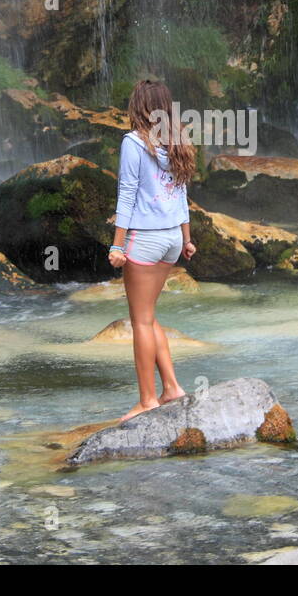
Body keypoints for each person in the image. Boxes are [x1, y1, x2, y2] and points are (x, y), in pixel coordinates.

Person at [107, 80, 196, 423]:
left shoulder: (133, 142)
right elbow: (182, 196)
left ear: (138, 107)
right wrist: (186, 239)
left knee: (140, 320)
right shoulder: (178, 142)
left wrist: (117, 244)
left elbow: (127, 195)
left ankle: (147, 400)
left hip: (145, 238)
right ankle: (172, 387)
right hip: (172, 237)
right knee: (149, 315)